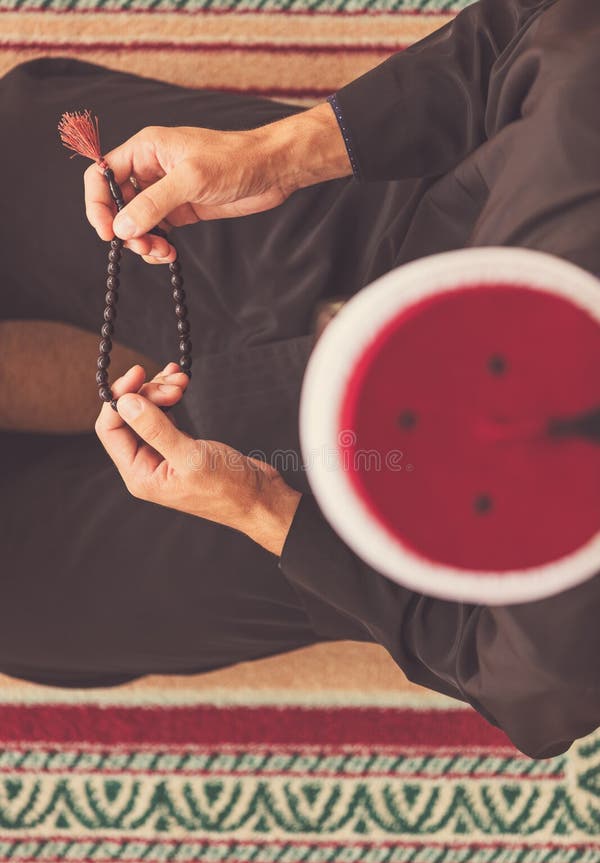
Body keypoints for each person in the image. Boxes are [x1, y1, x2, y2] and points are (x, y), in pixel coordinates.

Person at [0, 0, 598, 759]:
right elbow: (547, 33)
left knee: (24, 609)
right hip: (376, 237)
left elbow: (530, 689)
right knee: (23, 149)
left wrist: (263, 510)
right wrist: (287, 153)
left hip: (349, 511)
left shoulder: (565, 629)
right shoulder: (585, 166)